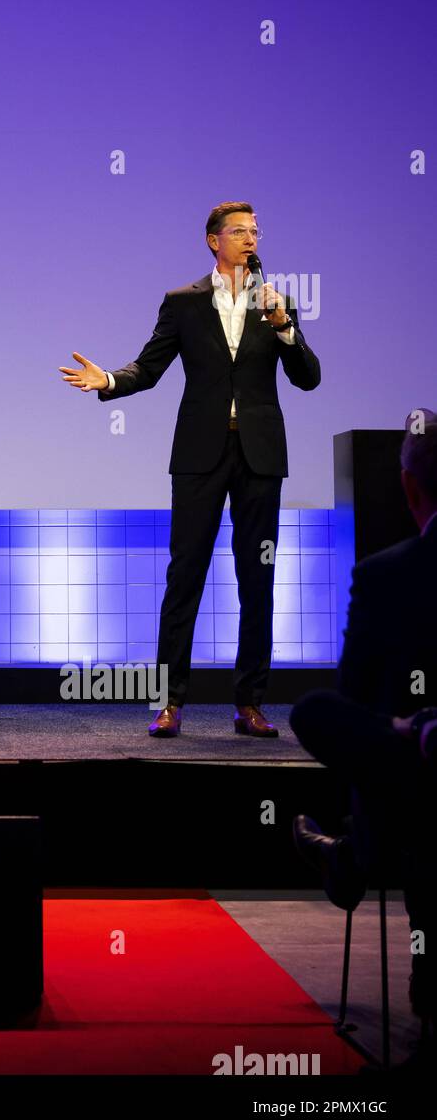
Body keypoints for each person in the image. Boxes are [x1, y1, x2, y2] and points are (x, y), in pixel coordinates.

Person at [60, 202, 321, 737]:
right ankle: (170, 702)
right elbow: (149, 367)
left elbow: (309, 378)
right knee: (185, 577)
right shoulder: (183, 302)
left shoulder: (278, 303)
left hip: (260, 457)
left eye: (254, 231)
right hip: (201, 455)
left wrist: (286, 327)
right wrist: (107, 380)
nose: (249, 238)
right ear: (213, 241)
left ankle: (249, 704)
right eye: (238, 231)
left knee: (259, 579)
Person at [291, 409, 437, 1049]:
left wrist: (414, 726)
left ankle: (352, 857)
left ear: (409, 488)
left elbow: (349, 700)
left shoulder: (385, 574)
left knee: (327, 716)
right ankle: (352, 856)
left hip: (423, 785)